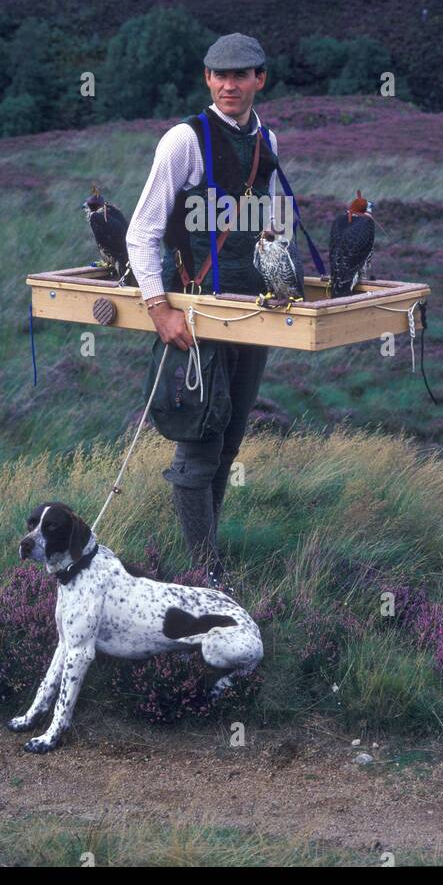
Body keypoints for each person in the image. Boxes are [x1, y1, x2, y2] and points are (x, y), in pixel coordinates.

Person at [125, 33, 281, 587]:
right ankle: (206, 575)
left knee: (230, 439)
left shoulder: (267, 139)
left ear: (260, 78)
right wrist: (159, 310)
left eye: (240, 75)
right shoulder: (182, 141)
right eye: (218, 74)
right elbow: (140, 234)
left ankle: (206, 567)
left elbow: (267, 225)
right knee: (198, 440)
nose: (228, 85)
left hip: (253, 314)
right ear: (206, 79)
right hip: (194, 314)